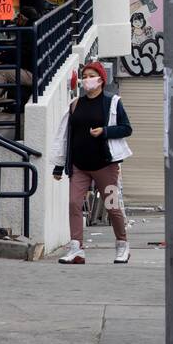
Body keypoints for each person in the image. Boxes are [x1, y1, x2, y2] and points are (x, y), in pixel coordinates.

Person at [52, 62, 133, 265]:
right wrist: (59, 166)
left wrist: (104, 131)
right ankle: (76, 249)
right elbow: (65, 136)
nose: (87, 79)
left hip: (106, 164)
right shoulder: (75, 104)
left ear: (101, 79)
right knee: (73, 203)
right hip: (79, 165)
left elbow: (126, 128)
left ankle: (122, 245)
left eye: (91, 75)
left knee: (112, 206)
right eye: (84, 76)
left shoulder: (112, 102)